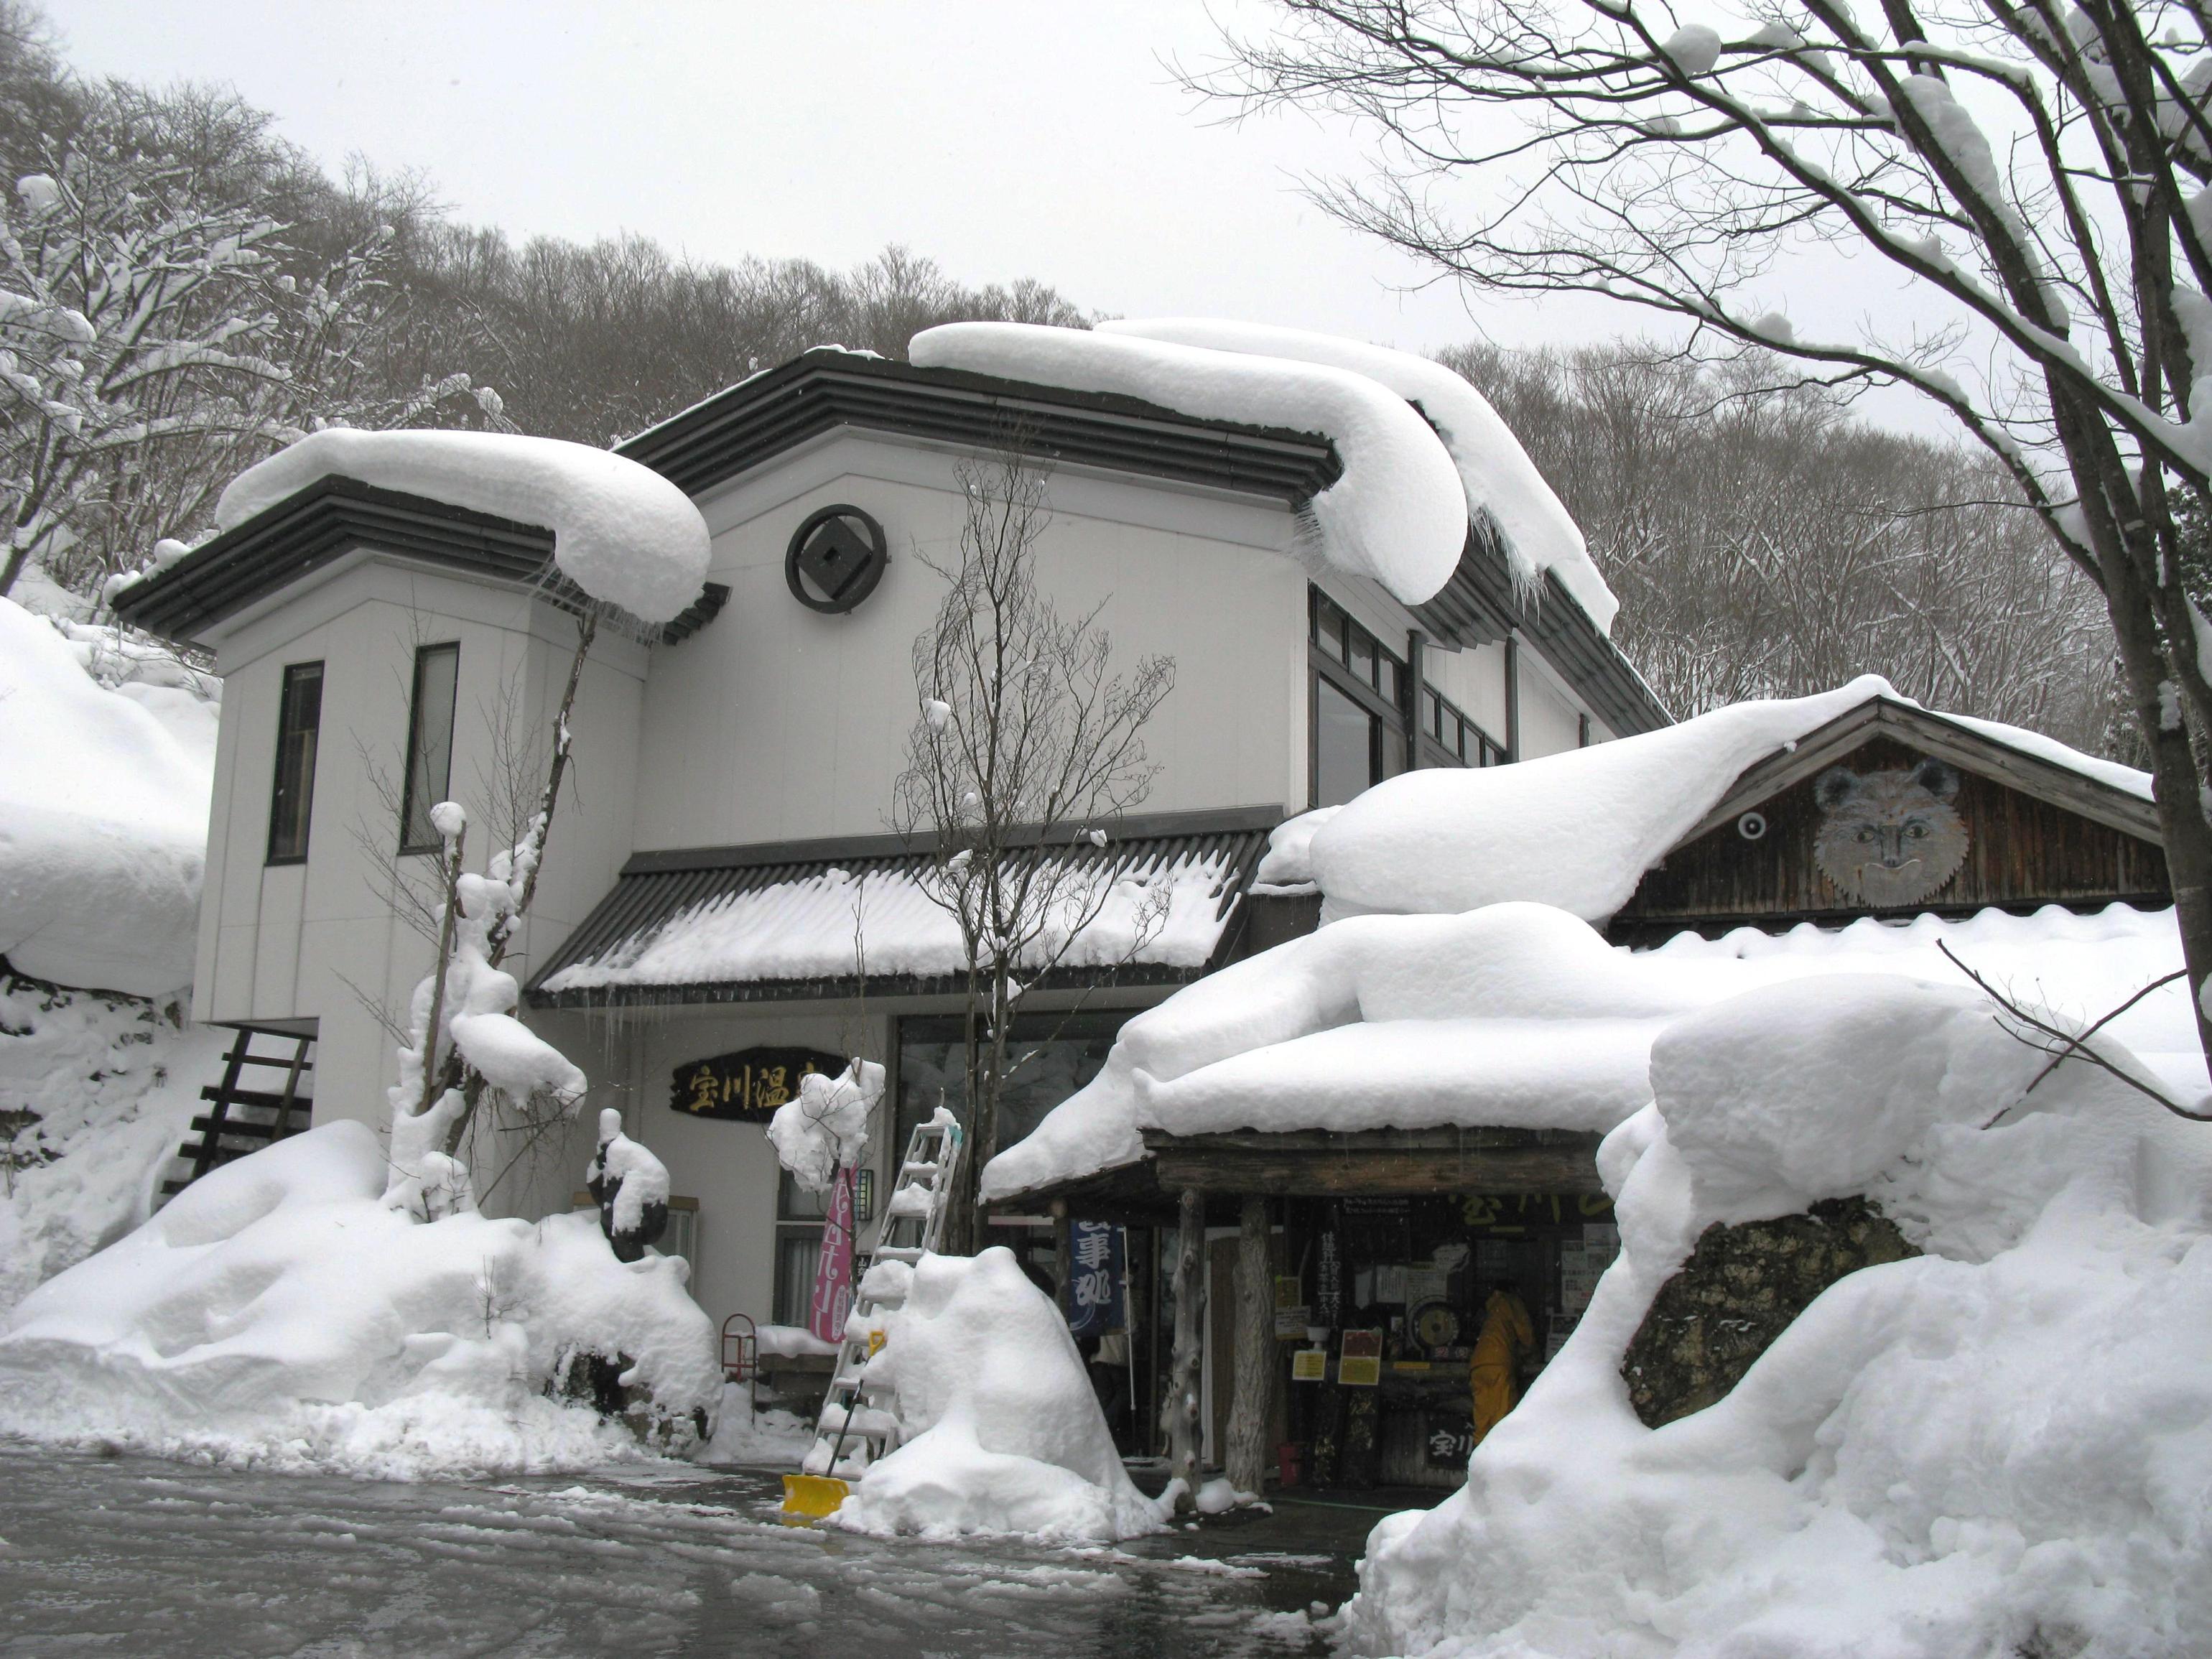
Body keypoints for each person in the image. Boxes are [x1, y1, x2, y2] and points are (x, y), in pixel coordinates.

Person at [1467, 1283, 1534, 1446]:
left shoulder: (1491, 1308)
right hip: (1499, 1363)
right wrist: (1532, 1354)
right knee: (1502, 1415)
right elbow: (1526, 1334)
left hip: (1478, 1364)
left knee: (1482, 1417)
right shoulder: (1511, 1302)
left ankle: (1478, 1457)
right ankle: (1500, 1459)